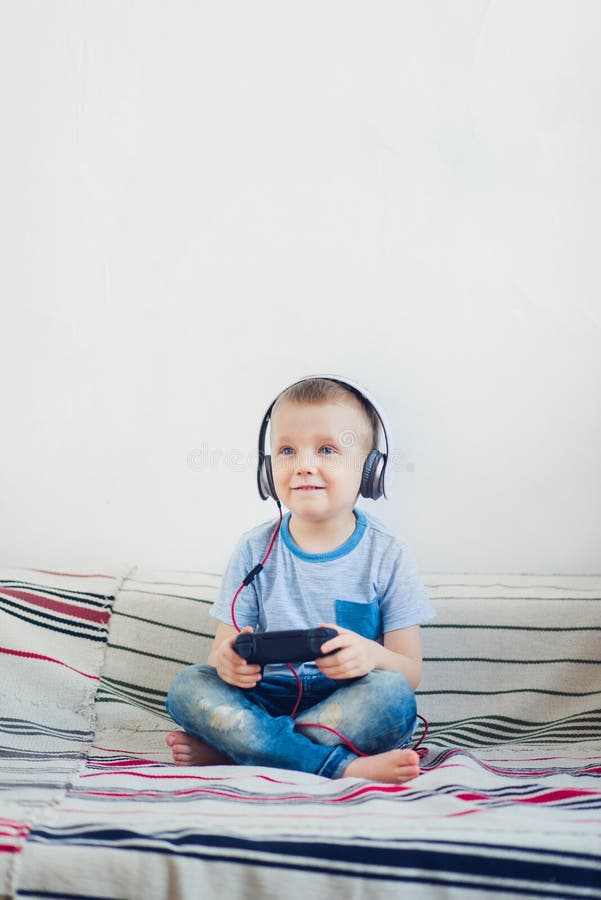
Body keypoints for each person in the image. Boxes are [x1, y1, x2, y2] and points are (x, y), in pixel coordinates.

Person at [165, 376, 435, 783]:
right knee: (188, 686)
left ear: (370, 470)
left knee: (394, 697)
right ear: (266, 468)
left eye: (327, 450)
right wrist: (229, 664)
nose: (303, 464)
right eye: (287, 450)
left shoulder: (388, 553)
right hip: (266, 699)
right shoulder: (253, 548)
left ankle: (241, 749)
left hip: (345, 701)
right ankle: (341, 766)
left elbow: (409, 670)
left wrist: (370, 654)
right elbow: (222, 652)